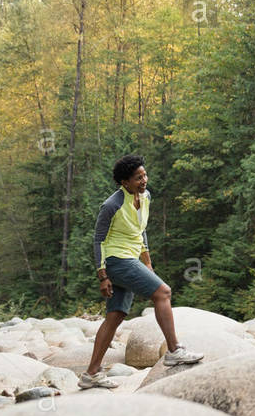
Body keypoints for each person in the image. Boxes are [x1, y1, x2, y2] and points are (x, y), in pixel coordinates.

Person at [80, 154, 204, 389]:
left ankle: (91, 374)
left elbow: (141, 230)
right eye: (138, 178)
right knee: (163, 292)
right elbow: (98, 241)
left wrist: (146, 260)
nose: (144, 180)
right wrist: (102, 275)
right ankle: (174, 350)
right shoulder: (112, 205)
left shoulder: (145, 196)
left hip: (131, 257)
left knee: (115, 315)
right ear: (124, 182)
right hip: (117, 260)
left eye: (144, 175)